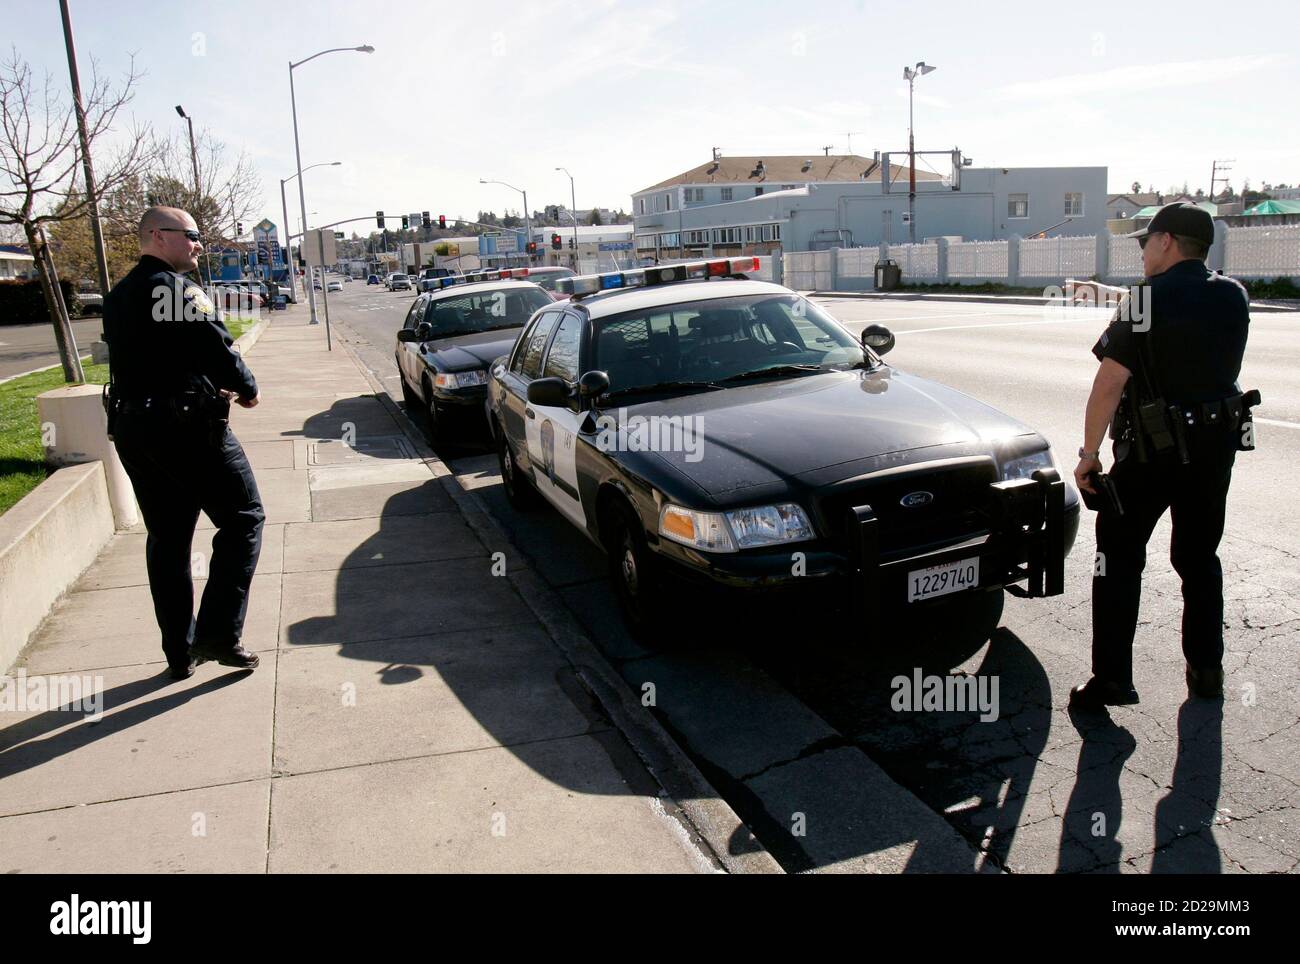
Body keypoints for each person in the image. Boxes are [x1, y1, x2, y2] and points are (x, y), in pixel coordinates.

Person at [1069, 202, 1252, 710]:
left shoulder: (1145, 300)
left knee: (1117, 561)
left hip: (1151, 457)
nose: (1143, 251)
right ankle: (1207, 669)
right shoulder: (1234, 294)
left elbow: (1109, 383)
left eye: (1146, 242)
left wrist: (1089, 455)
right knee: (1198, 559)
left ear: (1166, 242)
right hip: (1214, 451)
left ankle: (1111, 680)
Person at [103, 206, 265, 680]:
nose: (199, 244)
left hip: (135, 429)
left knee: (168, 539)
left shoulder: (118, 296)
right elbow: (216, 347)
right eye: (191, 235)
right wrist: (249, 389)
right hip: (188, 430)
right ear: (157, 235)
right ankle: (217, 633)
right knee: (243, 520)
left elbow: (153, 358)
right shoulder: (175, 290)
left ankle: (180, 650)